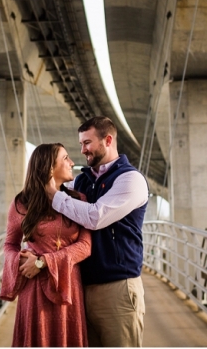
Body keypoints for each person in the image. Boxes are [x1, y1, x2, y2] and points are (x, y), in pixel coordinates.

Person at [46, 116, 149, 347]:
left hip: (118, 289)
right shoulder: (83, 181)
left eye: (87, 143)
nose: (82, 150)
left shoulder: (130, 179)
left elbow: (95, 217)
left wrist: (55, 196)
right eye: (81, 143)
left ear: (108, 140)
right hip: (81, 288)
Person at [0, 143, 92, 347]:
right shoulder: (22, 203)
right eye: (66, 158)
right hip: (34, 290)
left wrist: (43, 261)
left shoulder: (78, 199)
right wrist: (20, 260)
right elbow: (9, 244)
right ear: (50, 167)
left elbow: (85, 245)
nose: (72, 162)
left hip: (68, 285)